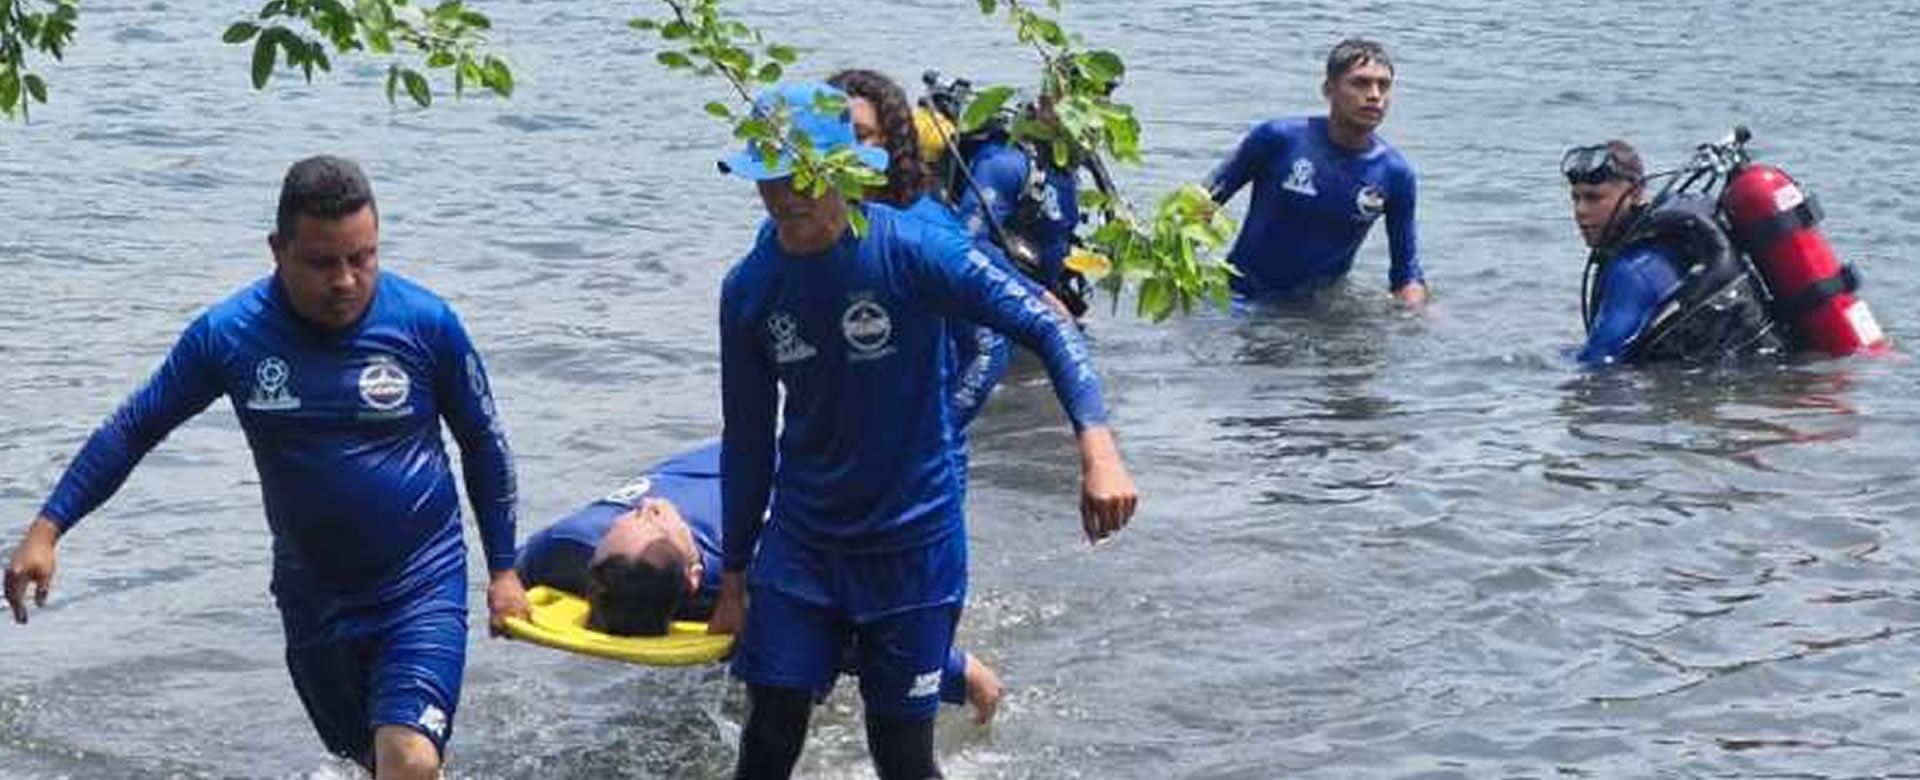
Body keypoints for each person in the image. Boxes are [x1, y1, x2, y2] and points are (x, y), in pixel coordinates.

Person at [2, 156, 529, 780]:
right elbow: (134, 427)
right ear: (277, 249)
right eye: (323, 262)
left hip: (421, 586)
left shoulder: (426, 324)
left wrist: (503, 570)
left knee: (409, 761)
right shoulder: (230, 335)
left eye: (363, 257)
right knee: (371, 762)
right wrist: (48, 528)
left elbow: (484, 443)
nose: (346, 280)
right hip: (312, 602)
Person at [711, 82, 1139, 780]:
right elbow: (748, 439)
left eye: (800, 176)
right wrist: (733, 572)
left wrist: (1097, 448)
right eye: (768, 178)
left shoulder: (915, 247)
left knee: (900, 755)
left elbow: (1043, 323)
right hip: (802, 542)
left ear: (843, 169)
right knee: (768, 736)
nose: (783, 195)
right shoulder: (750, 287)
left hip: (913, 541)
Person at [514, 442, 1004, 723]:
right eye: (650, 520)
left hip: (797, 465)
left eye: (643, 518)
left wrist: (958, 674)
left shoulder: (571, 547)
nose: (650, 507)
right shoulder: (574, 548)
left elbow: (857, 637)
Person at [1208, 38, 1427, 303]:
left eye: (1384, 85)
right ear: (1328, 89)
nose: (1374, 95)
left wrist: (1421, 319)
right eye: (1360, 83)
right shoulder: (1277, 138)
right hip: (1239, 297)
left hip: (1318, 314)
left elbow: (1406, 272)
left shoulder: (1394, 174)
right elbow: (1204, 204)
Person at [1565, 140, 1780, 364]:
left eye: (1594, 198)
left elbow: (1599, 362)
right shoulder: (1680, 232)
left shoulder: (1632, 272)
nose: (1580, 211)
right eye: (1576, 198)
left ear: (1636, 192)